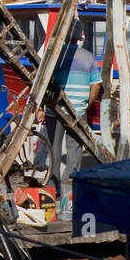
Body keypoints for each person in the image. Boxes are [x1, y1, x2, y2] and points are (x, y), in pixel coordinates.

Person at [42, 20, 102, 217]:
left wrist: (42, 106)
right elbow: (96, 85)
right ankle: (70, 194)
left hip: (54, 109)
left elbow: (44, 82)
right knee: (74, 153)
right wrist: (86, 104)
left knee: (53, 150)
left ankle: (53, 189)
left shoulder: (54, 55)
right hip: (77, 110)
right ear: (80, 36)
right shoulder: (88, 56)